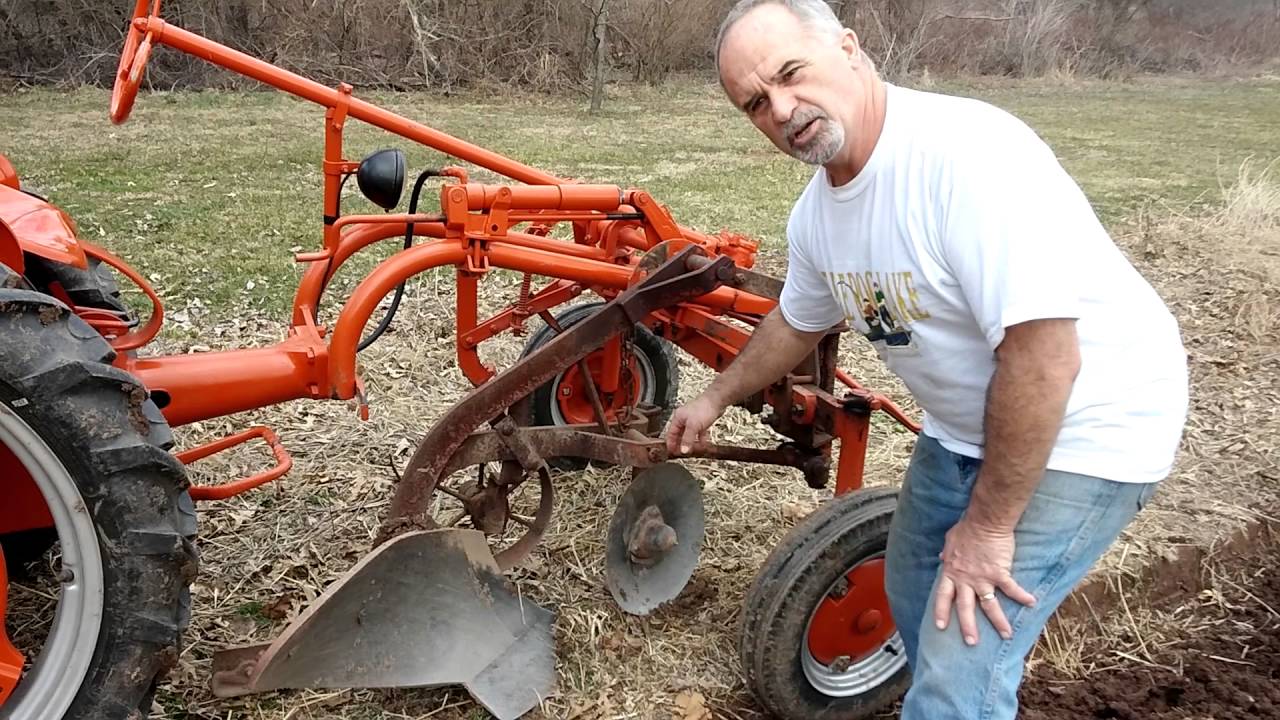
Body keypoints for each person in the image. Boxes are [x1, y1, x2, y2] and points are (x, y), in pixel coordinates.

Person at [665, 1, 1189, 717]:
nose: (783, 108)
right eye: (756, 103)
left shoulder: (966, 157)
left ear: (848, 49)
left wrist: (989, 527)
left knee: (959, 666)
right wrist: (714, 397)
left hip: (1087, 425)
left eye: (792, 74)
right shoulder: (819, 214)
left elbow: (1046, 360)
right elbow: (796, 321)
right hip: (970, 425)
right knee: (914, 591)